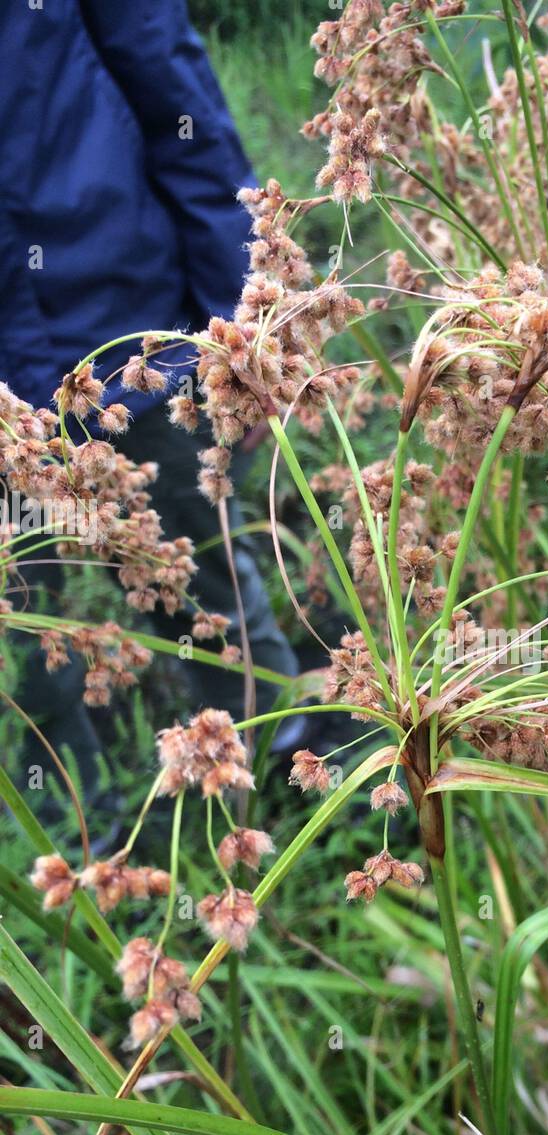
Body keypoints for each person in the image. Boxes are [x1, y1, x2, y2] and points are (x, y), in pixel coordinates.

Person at [0, 2, 301, 820]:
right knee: (25, 628)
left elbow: (175, 96)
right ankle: (73, 832)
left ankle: (276, 766)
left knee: (196, 567)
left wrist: (239, 323)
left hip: (121, 328)